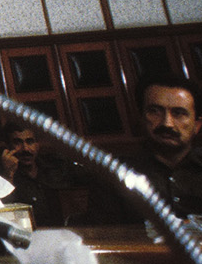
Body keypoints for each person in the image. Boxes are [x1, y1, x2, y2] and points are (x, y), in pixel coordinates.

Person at [86, 77, 202, 224]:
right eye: (154, 111)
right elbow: (105, 239)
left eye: (178, 113)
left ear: (197, 125)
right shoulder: (112, 174)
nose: (167, 123)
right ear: (141, 118)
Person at [0, 122, 79, 227]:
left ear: (37, 145)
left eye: (30, 142)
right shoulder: (2, 176)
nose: (25, 149)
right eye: (18, 143)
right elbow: (3, 212)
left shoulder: (56, 167)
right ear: (8, 148)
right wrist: (9, 174)